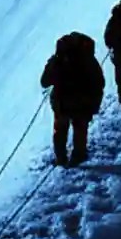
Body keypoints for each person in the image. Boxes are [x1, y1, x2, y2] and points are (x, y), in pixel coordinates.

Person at [40, 32, 105, 166]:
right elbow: (99, 82)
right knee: (80, 130)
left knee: (60, 131)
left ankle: (61, 159)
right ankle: (78, 157)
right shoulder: (89, 60)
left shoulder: (58, 61)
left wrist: (51, 66)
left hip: (61, 104)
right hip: (83, 103)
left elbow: (45, 81)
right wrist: (94, 102)